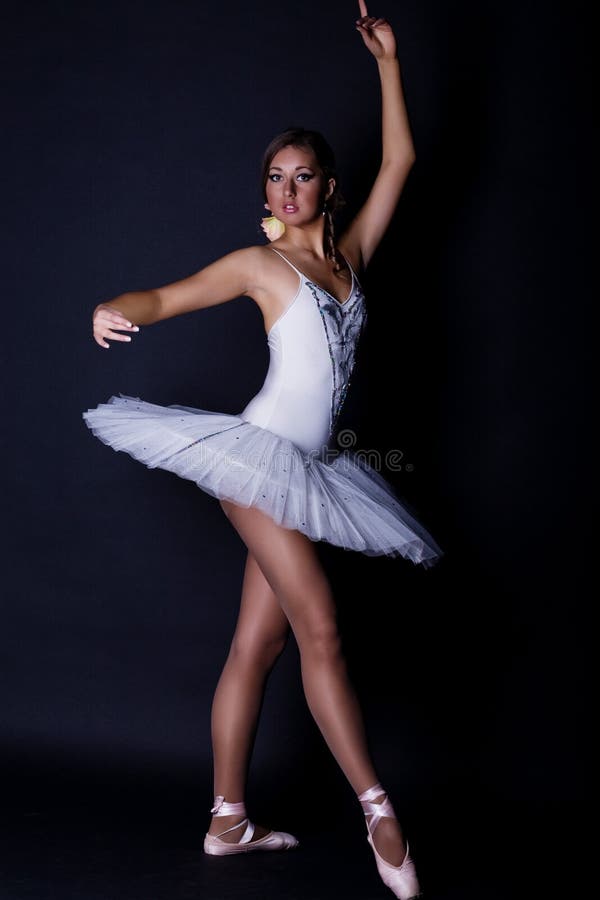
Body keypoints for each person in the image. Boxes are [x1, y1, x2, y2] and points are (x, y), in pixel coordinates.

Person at [82, 3, 442, 897]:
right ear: (267, 194)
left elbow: (402, 160)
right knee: (320, 625)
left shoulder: (350, 260)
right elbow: (167, 296)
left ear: (327, 190)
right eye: (276, 178)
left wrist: (389, 63)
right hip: (255, 458)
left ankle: (227, 822)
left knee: (259, 646)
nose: (287, 191)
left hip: (316, 472)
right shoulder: (261, 266)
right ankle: (378, 808)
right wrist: (116, 308)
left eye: (304, 176)